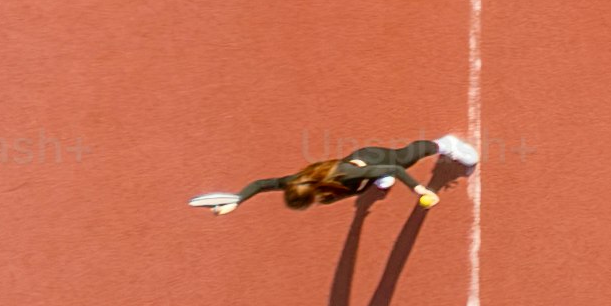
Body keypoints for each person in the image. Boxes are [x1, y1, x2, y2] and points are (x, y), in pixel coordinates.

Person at [192, 135, 477, 214]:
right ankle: (376, 181)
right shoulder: (299, 182)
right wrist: (239, 199)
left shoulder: (341, 177)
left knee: (405, 157)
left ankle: (445, 144)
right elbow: (263, 183)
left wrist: (420, 190)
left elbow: (394, 168)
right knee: (353, 191)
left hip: (373, 159)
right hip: (358, 174)